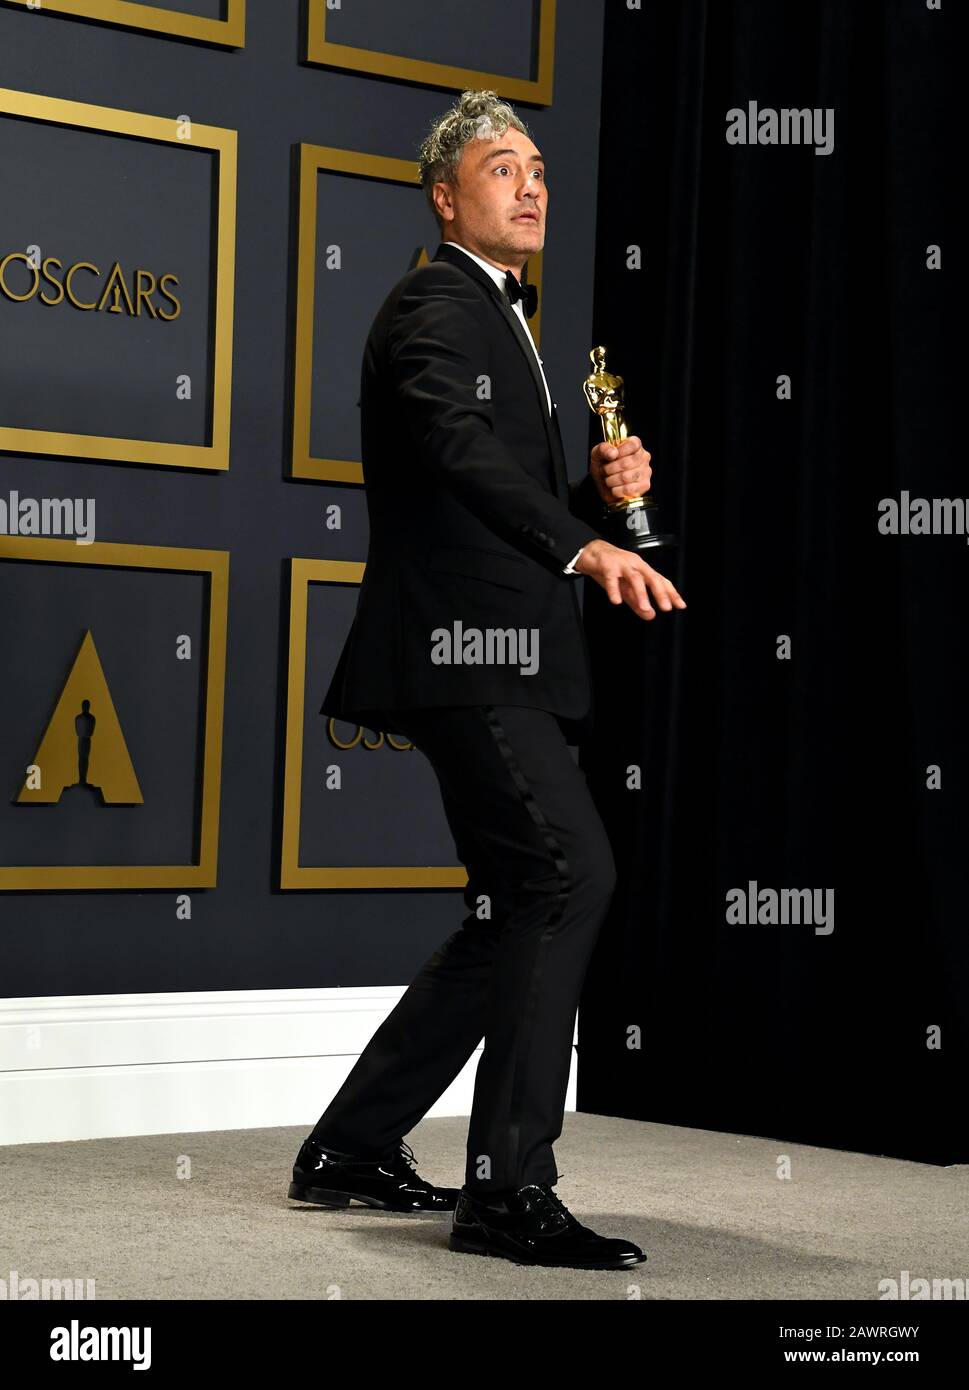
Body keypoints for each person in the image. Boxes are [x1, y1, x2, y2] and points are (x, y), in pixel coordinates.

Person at [287, 89, 685, 1270]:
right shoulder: (431, 303)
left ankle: (351, 1148)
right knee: (569, 875)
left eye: (542, 169)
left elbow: (486, 496)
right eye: (503, 169)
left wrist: (594, 502)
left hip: (500, 651)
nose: (533, 186)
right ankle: (507, 1191)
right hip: (467, 655)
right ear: (446, 195)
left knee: (514, 900)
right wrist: (581, 543)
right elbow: (455, 455)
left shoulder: (506, 323)